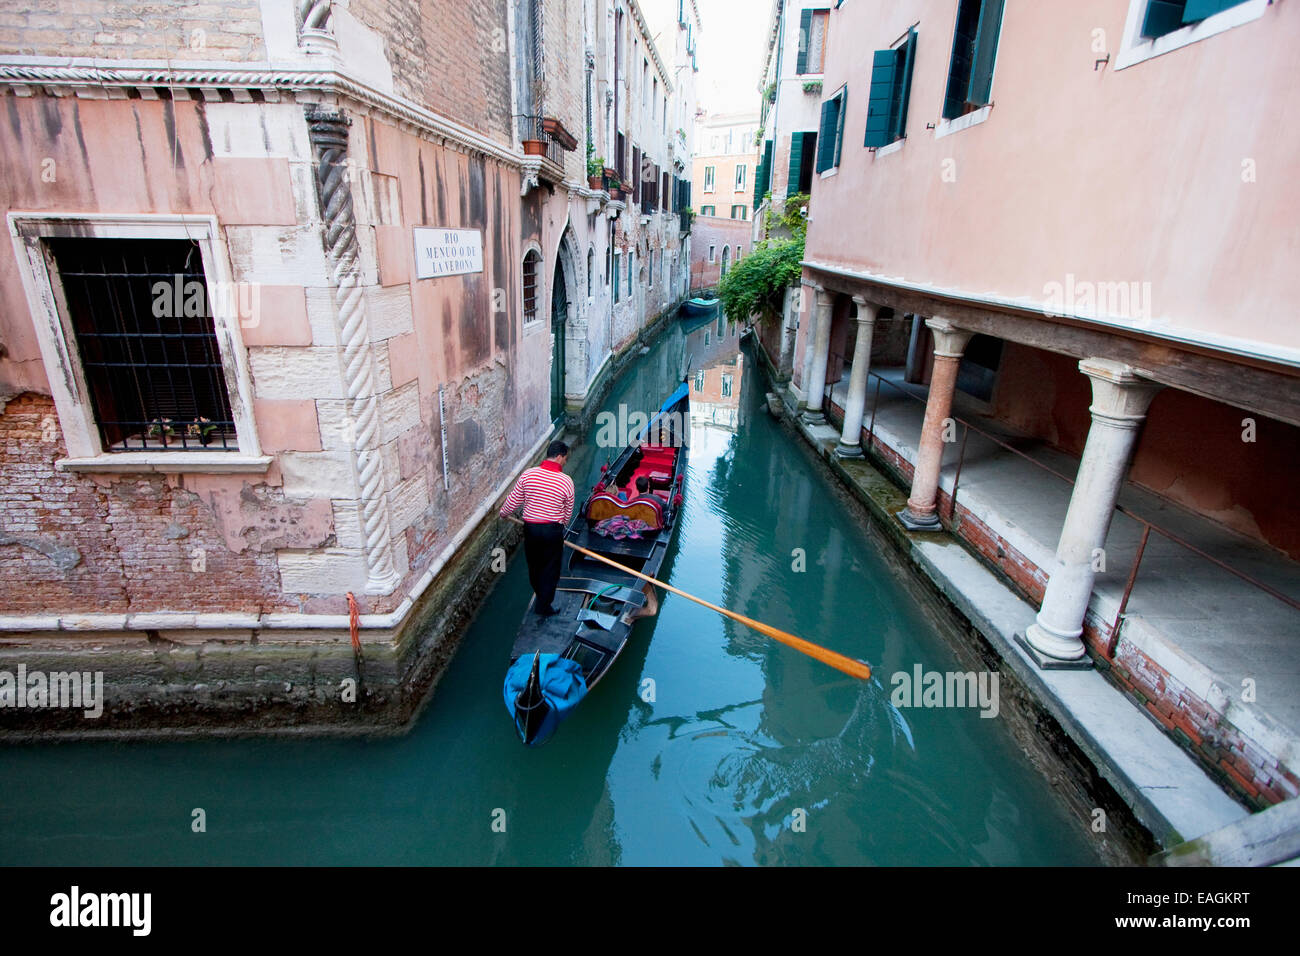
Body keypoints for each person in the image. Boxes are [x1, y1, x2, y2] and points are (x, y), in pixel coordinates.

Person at [500, 440, 575, 617]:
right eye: (565, 458)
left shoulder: (528, 475)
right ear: (558, 457)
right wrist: (560, 527)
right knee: (551, 568)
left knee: (534, 565)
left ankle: (540, 595)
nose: (565, 462)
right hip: (552, 531)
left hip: (531, 529)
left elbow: (514, 500)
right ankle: (544, 605)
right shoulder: (566, 481)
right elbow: (567, 511)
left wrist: (504, 513)